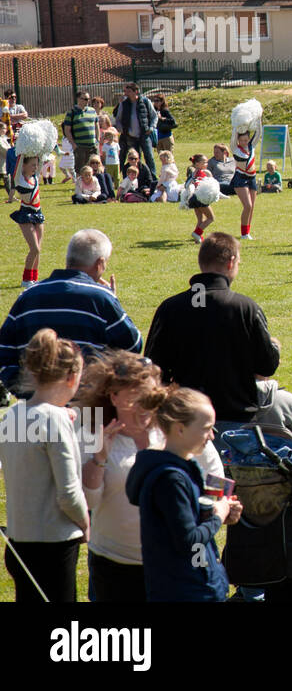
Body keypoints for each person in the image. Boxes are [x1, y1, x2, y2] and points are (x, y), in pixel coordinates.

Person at [78, 351, 224, 602]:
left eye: (151, 396)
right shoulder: (93, 432)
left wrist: (220, 510)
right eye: (136, 398)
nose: (145, 407)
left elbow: (216, 481)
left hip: (176, 564)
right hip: (115, 563)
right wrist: (99, 458)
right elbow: (88, 503)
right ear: (114, 396)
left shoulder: (179, 429)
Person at [144, 233, 281, 426]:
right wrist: (273, 347)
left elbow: (154, 369)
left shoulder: (170, 307)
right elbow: (267, 365)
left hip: (184, 420)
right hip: (235, 420)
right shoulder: (245, 308)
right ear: (231, 262)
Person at [125, 386, 241, 601]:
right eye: (206, 428)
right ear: (179, 429)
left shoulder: (184, 467)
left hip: (194, 581)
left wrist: (216, 512)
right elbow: (189, 540)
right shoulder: (171, 479)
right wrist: (218, 515)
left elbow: (186, 521)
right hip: (186, 589)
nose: (212, 436)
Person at [0, 329, 89, 602]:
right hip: (53, 544)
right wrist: (86, 524)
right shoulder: (56, 420)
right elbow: (69, 492)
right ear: (72, 378)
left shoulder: (11, 415)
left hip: (18, 539)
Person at [0, 229, 141, 394]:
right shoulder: (101, 298)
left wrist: (25, 391)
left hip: (36, 408)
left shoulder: (27, 296)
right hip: (88, 407)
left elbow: (4, 350)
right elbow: (133, 345)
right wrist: (113, 301)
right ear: (100, 263)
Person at [10, 131, 45, 288]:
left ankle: (34, 279)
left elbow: (41, 159)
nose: (35, 167)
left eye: (36, 165)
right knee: (34, 249)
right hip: (25, 214)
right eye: (32, 165)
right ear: (24, 165)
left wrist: (41, 146)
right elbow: (18, 163)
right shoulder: (20, 179)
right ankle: (26, 279)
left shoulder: (35, 177)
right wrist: (22, 145)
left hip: (38, 214)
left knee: (39, 250)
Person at [112, 82, 157, 176]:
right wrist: (121, 129)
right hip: (130, 136)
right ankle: (136, 178)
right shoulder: (124, 104)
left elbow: (154, 116)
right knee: (135, 158)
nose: (126, 94)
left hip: (144, 135)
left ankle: (153, 178)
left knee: (149, 157)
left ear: (135, 91)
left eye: (128, 91)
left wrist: (151, 128)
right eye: (125, 91)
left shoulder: (145, 101)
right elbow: (118, 119)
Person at [229, 106, 261, 240]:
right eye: (241, 140)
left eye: (246, 140)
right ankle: (243, 234)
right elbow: (233, 135)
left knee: (252, 207)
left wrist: (258, 117)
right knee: (247, 205)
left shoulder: (251, 146)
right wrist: (237, 124)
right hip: (240, 178)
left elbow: (258, 134)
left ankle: (247, 232)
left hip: (252, 178)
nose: (244, 142)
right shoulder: (235, 148)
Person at [182, 153, 217, 243]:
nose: (207, 164)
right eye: (204, 162)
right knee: (211, 218)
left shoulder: (194, 173)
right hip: (200, 198)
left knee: (200, 219)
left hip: (193, 198)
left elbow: (186, 184)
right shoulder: (202, 173)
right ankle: (197, 233)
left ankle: (198, 239)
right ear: (197, 164)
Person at [62, 90, 99, 174]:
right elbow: (67, 130)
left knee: (95, 169)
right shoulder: (71, 112)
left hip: (92, 146)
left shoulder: (92, 111)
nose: (87, 101)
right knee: (80, 169)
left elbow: (96, 127)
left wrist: (97, 140)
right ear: (78, 99)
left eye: (88, 99)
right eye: (85, 99)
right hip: (80, 146)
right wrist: (73, 144)